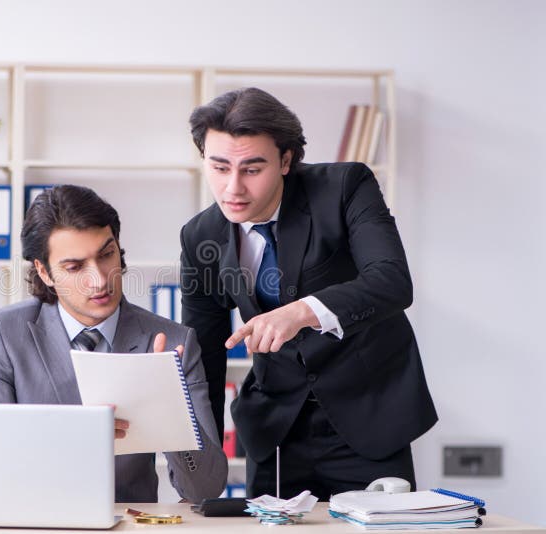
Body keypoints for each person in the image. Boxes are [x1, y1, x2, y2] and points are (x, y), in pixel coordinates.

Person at [179, 87, 437, 499]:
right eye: (219, 167)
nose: (233, 188)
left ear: (286, 160)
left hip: (368, 422)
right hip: (275, 430)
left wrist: (301, 311)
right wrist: (200, 463)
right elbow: (205, 354)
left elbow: (391, 280)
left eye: (252, 168)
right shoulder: (200, 236)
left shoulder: (344, 187)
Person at [0, 184, 227, 503]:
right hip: (30, 517)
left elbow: (206, 489)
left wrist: (168, 409)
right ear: (44, 272)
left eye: (106, 255)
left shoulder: (172, 342)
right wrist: (77, 436)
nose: (100, 279)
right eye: (74, 267)